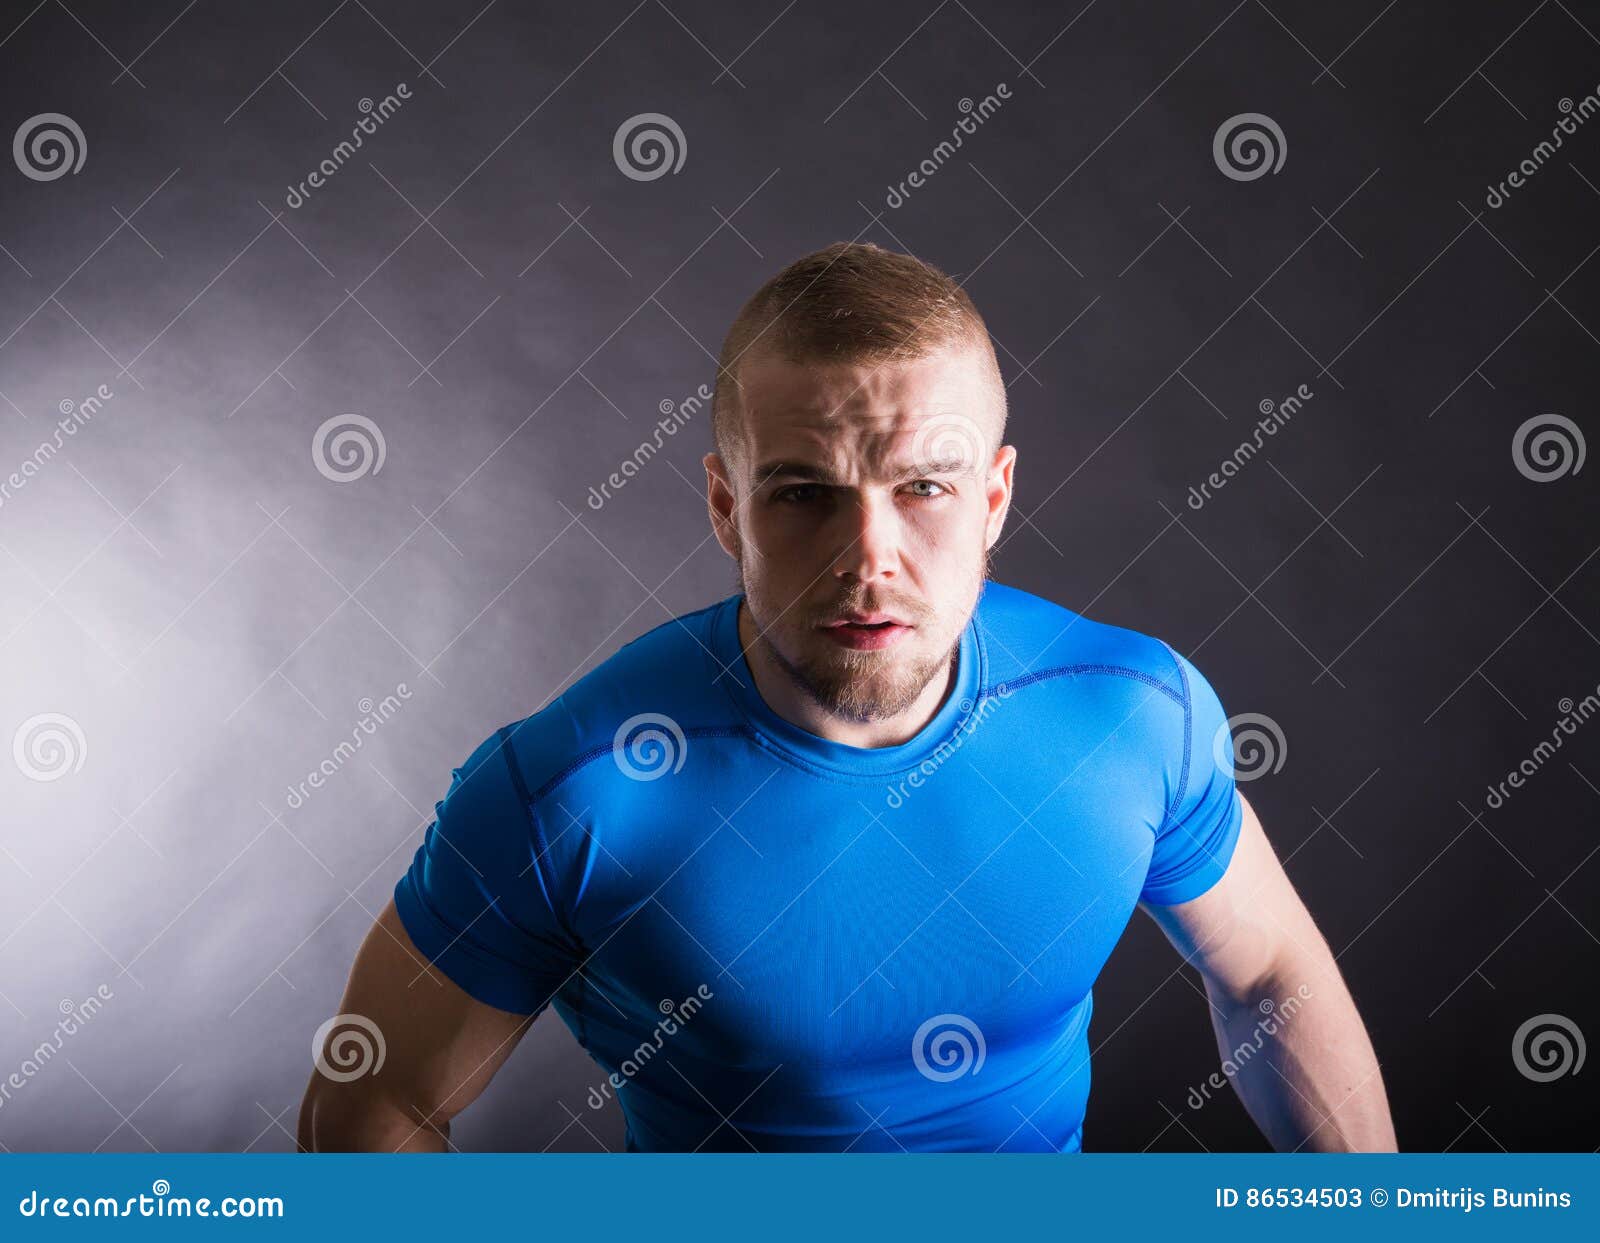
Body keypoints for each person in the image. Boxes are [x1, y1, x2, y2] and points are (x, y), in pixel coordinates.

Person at [297, 242, 1397, 1153]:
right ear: (727, 507)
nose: (869, 557)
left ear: (994, 495)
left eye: (922, 486)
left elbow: (1268, 973)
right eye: (805, 496)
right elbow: (377, 1098)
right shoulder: (574, 794)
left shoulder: (1126, 712)